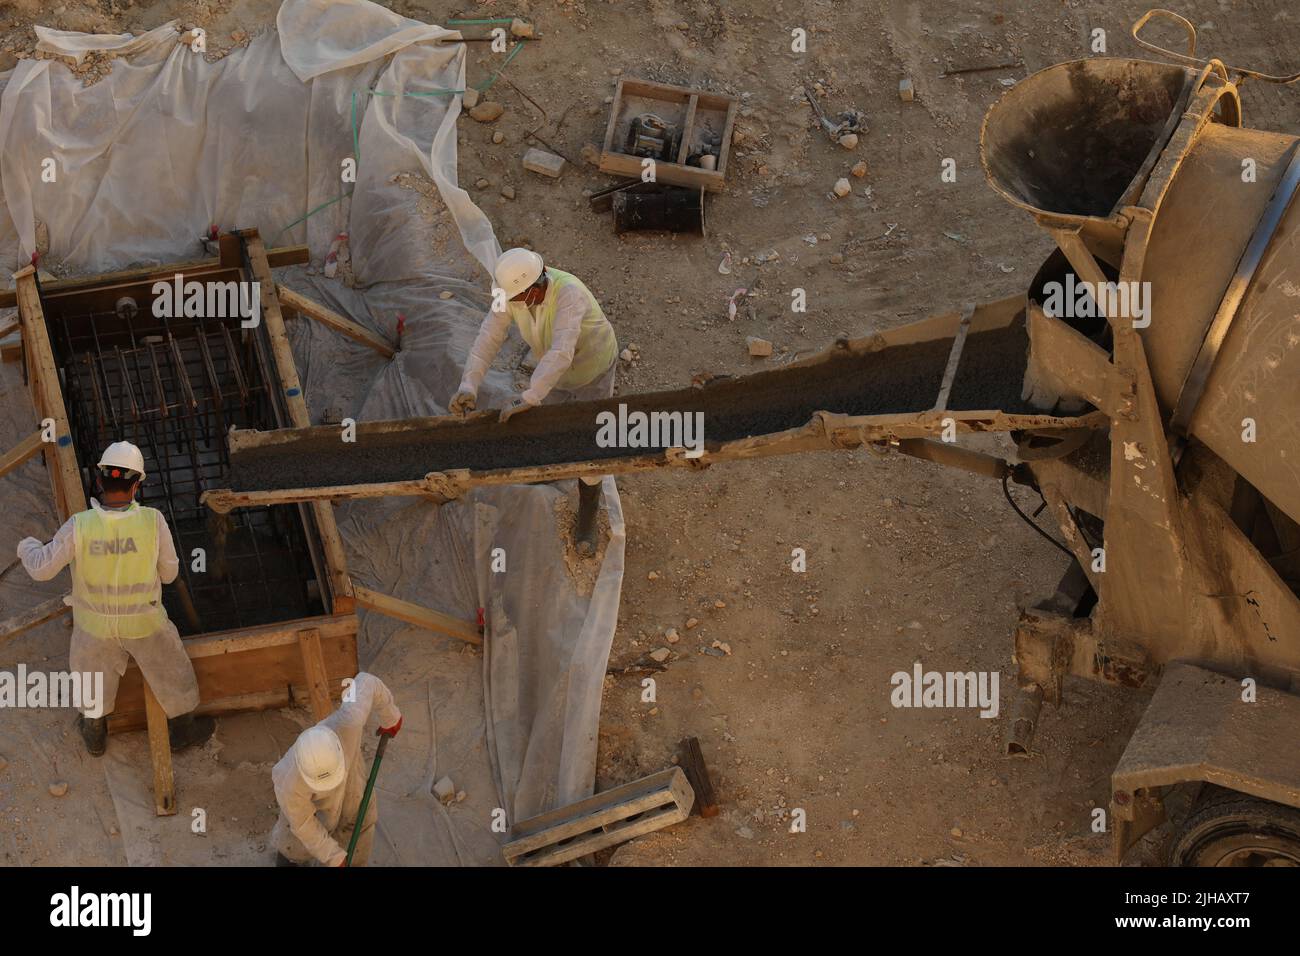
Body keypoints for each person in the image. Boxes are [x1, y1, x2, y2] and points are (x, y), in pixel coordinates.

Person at [16, 441, 215, 756]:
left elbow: (41, 568)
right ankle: (183, 728)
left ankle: (94, 733)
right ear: (136, 485)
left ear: (99, 481)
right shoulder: (153, 520)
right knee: (171, 667)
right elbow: (168, 574)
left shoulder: (79, 526)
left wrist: (26, 546)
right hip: (144, 622)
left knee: (90, 675)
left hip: (94, 626)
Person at [449, 248, 619, 554]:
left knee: (592, 444)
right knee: (547, 425)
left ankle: (588, 514)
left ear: (535, 289)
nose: (510, 306)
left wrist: (529, 396)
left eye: (515, 300)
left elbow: (561, 352)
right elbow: (489, 335)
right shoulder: (511, 293)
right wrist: (468, 385)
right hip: (555, 375)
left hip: (592, 369)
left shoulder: (569, 294)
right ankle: (550, 468)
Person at [270, 671, 402, 867]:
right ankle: (291, 861)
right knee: (295, 841)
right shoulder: (287, 779)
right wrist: (332, 856)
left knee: (358, 832)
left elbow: (366, 681)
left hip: (353, 790)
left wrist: (390, 715)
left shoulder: (349, 722)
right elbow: (304, 824)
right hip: (312, 808)